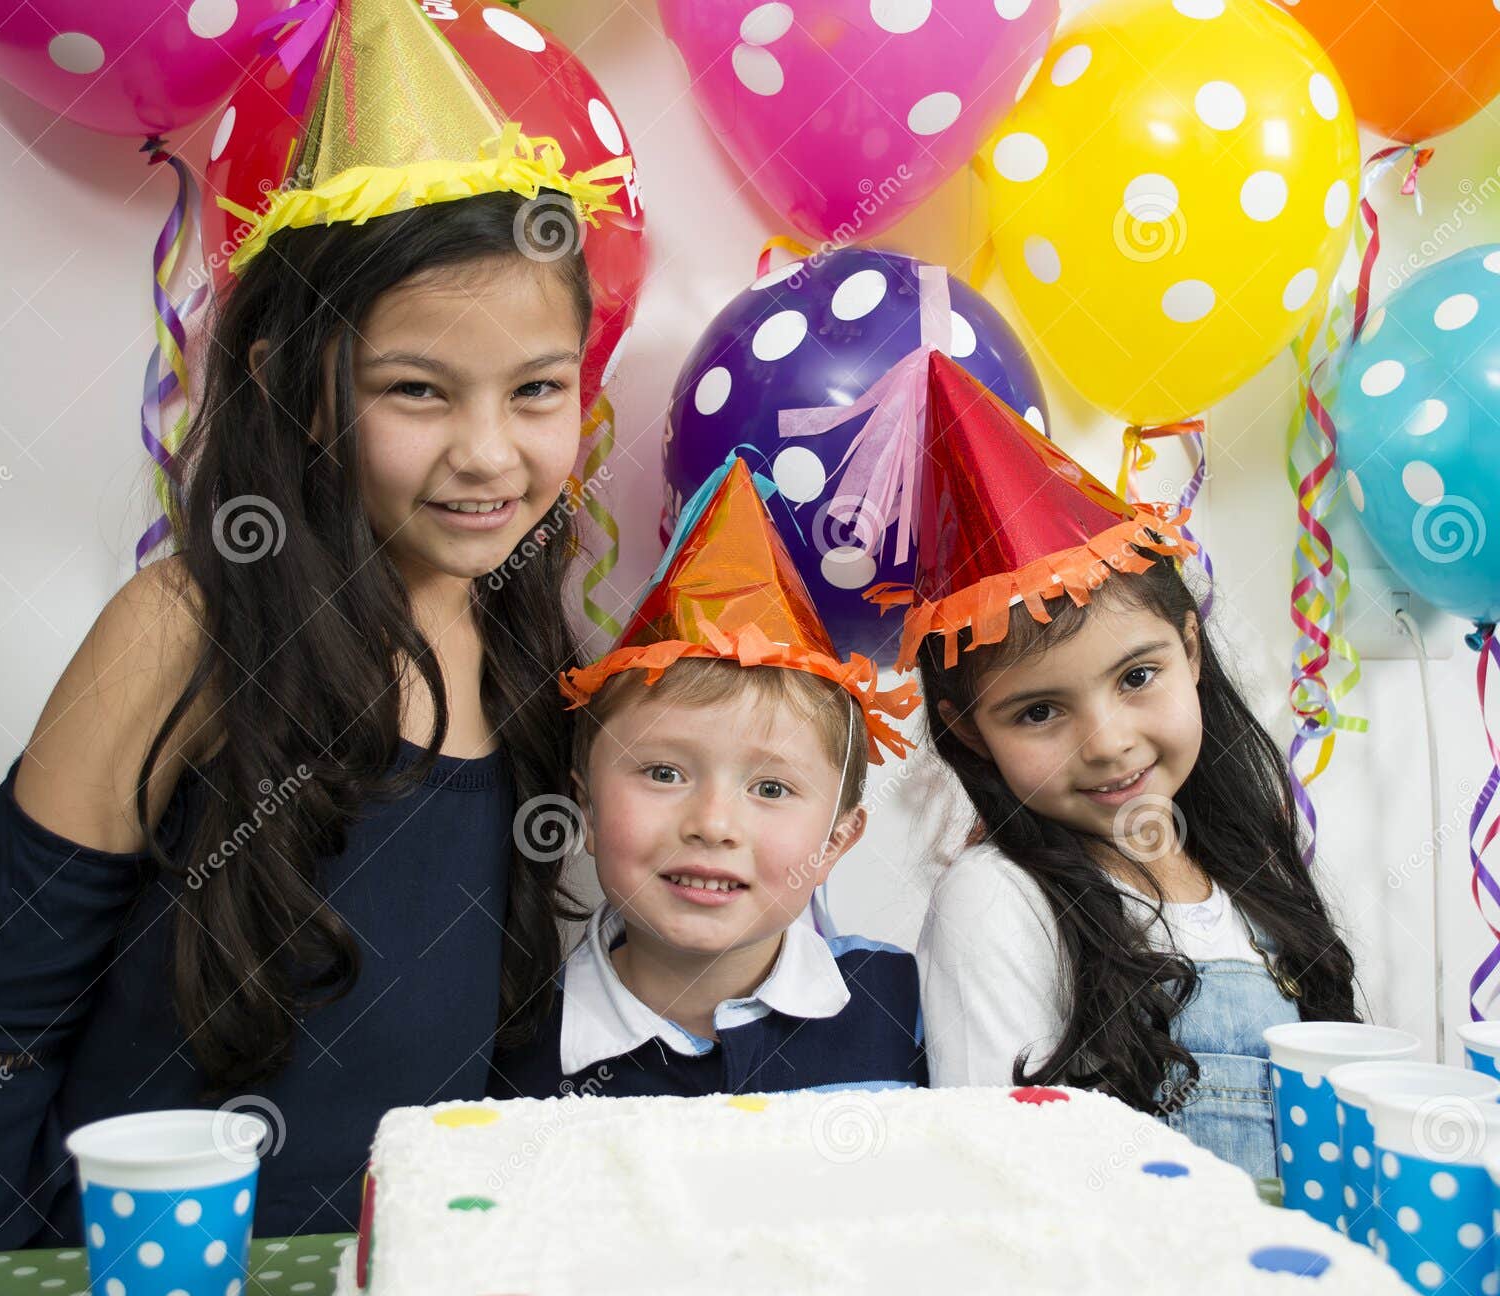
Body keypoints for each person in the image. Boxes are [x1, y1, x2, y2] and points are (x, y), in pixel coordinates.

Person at [0, 0, 631, 1251]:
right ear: (300, 384)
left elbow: (499, 1037)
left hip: (403, 1291)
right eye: (415, 388)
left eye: (536, 390)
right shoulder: (183, 624)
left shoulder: (521, 644)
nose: (488, 451)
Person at [885, 356, 1359, 1181]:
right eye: (1039, 712)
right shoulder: (999, 902)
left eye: (1137, 677)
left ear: (1189, 647)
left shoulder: (1256, 875)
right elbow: (1008, 1187)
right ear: (968, 730)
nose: (1105, 743)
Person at [489, 457, 927, 1098]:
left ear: (834, 843)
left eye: (771, 789)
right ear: (585, 812)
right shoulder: (517, 1050)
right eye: (663, 772)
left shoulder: (903, 1005)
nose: (713, 825)